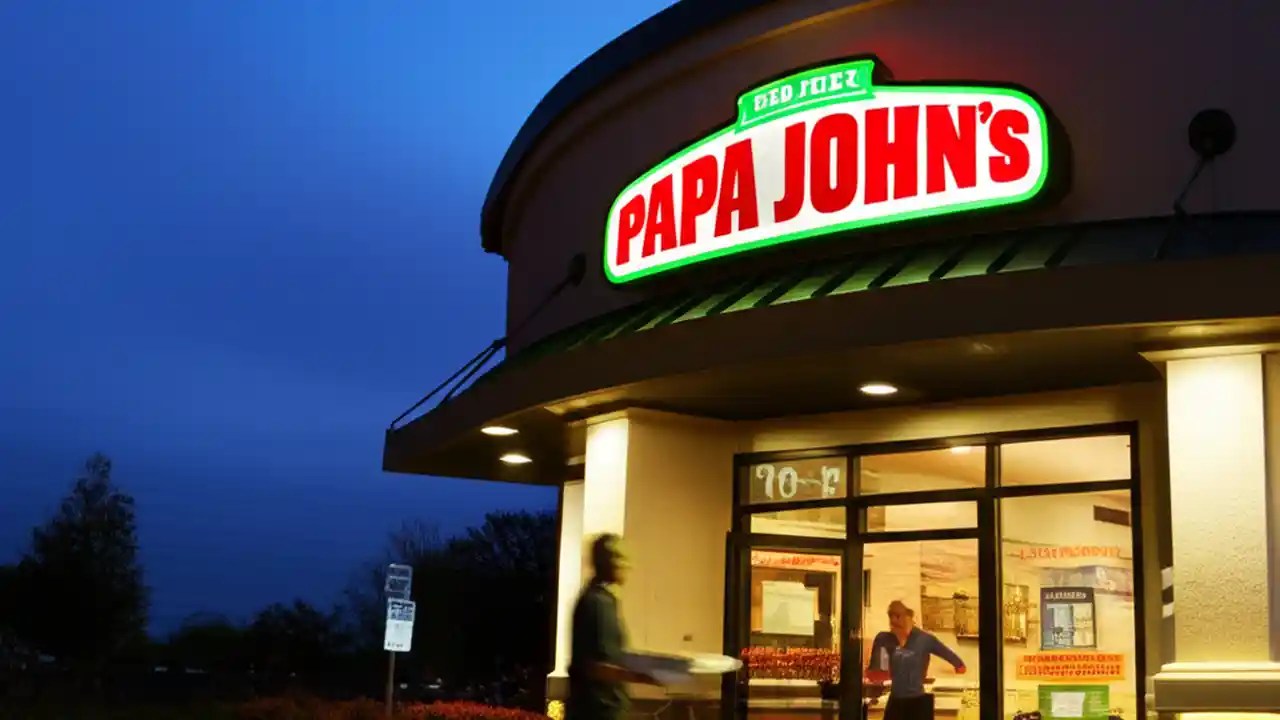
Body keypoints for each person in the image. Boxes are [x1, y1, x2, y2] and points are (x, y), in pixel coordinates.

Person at [567, 534, 657, 720]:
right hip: (601, 710)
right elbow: (597, 666)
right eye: (624, 560)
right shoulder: (600, 603)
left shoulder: (593, 599)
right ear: (612, 563)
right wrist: (648, 675)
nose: (629, 567)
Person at [866, 600, 966, 720]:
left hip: (917, 703)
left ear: (909, 617)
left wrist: (957, 667)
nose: (894, 621)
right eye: (891, 616)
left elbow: (955, 661)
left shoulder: (924, 639)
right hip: (896, 702)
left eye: (898, 616)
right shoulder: (885, 639)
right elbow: (877, 672)